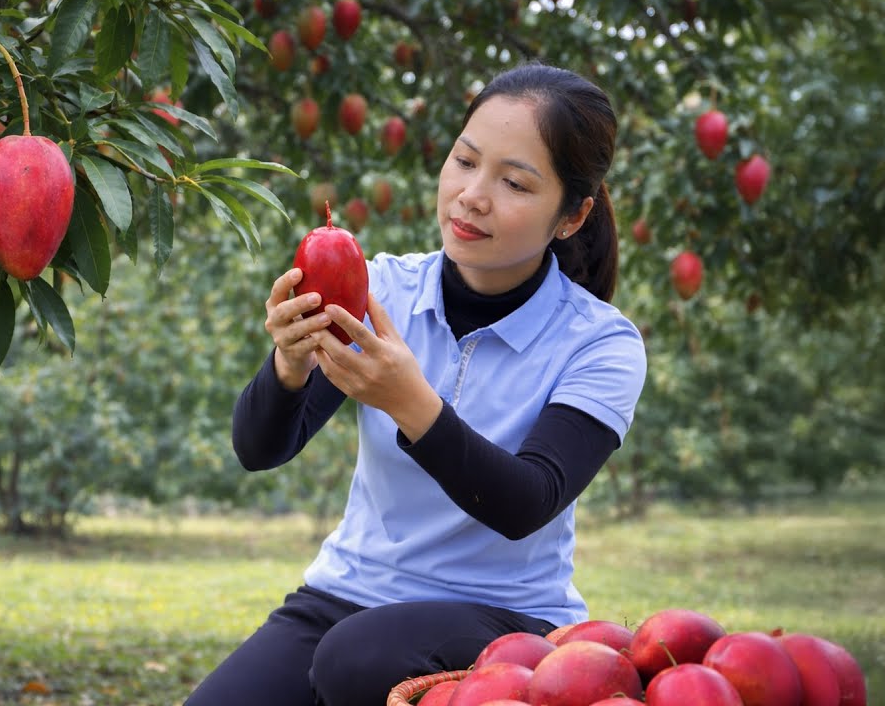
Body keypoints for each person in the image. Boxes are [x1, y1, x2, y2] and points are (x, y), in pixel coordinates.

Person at [185, 61, 648, 706]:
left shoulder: (600, 342)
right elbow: (260, 451)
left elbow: (526, 503)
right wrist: (288, 368)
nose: (472, 195)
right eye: (464, 161)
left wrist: (411, 403)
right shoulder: (384, 290)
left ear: (571, 217)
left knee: (356, 660)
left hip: (502, 620)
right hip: (343, 596)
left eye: (514, 182)